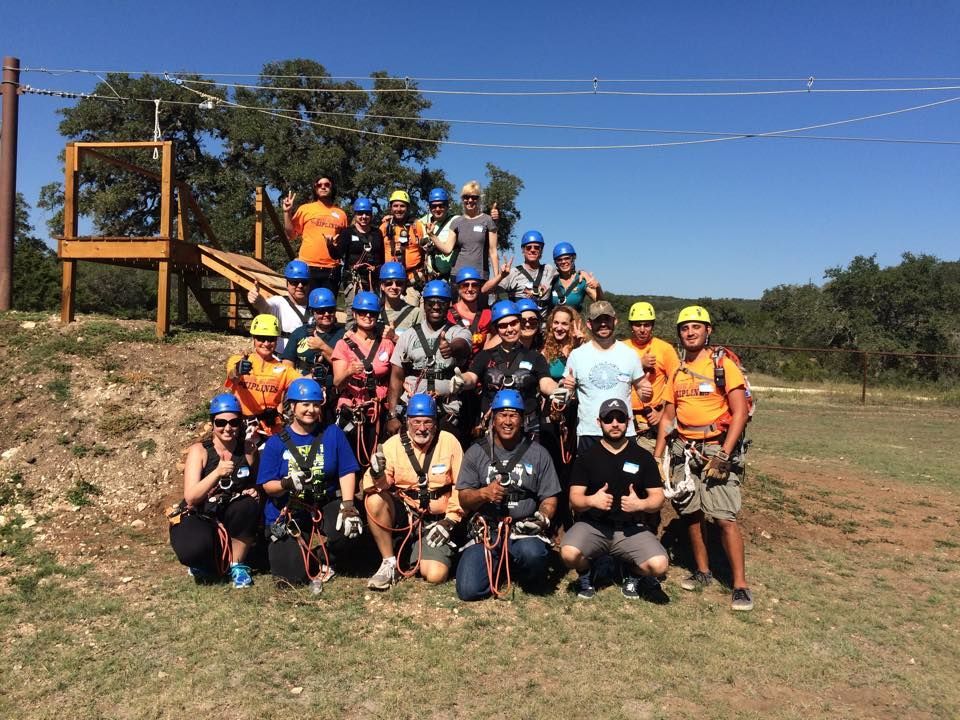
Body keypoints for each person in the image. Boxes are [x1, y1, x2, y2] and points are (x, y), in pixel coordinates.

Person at [654, 305, 753, 611]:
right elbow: (668, 417)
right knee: (691, 514)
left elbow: (740, 412)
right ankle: (703, 572)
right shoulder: (678, 372)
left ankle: (740, 585)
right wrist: (658, 456)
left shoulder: (722, 366)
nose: (690, 332)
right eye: (685, 328)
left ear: (708, 330)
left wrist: (725, 454)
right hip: (685, 450)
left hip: (715, 448)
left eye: (696, 327)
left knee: (724, 518)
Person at [257, 378, 362, 590]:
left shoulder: (332, 434)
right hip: (290, 509)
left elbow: (347, 470)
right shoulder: (276, 442)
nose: (311, 410)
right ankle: (302, 556)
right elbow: (267, 485)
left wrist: (349, 506)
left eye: (315, 404)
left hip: (323, 502)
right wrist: (286, 483)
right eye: (305, 404)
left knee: (350, 531)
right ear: (292, 407)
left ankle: (324, 557)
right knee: (290, 578)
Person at [455, 390, 560, 601]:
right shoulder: (476, 452)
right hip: (488, 530)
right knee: (468, 589)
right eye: (502, 415)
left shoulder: (538, 453)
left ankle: (517, 567)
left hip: (523, 530)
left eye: (513, 415)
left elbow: (550, 497)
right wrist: (484, 493)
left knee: (534, 560)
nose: (508, 421)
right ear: (493, 419)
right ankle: (496, 564)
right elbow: (463, 497)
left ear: (522, 420)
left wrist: (542, 517)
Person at [561, 398, 669, 601]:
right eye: (608, 419)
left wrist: (641, 504)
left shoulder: (643, 457)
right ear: (599, 422)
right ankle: (587, 575)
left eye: (620, 418)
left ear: (628, 421)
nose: (614, 423)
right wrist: (591, 501)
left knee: (659, 565)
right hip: (594, 526)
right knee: (569, 553)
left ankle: (633, 574)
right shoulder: (586, 457)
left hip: (630, 529)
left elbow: (658, 498)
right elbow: (574, 499)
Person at [362, 394, 464, 589]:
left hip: (438, 520)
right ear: (407, 421)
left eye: (427, 422)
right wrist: (376, 473)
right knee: (374, 500)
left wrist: (450, 520)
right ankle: (389, 563)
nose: (422, 428)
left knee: (435, 575)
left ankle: (419, 552)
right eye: (416, 422)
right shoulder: (392, 445)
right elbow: (376, 486)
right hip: (406, 515)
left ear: (435, 422)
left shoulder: (449, 442)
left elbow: (462, 486)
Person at [169, 393, 260, 588]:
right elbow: (191, 497)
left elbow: (255, 481)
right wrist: (217, 473)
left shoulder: (248, 450)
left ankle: (238, 564)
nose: (227, 428)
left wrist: (253, 490)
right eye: (221, 422)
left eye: (234, 422)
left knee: (249, 506)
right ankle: (206, 558)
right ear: (213, 423)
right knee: (192, 550)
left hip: (230, 508)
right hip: (200, 512)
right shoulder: (200, 451)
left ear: (240, 423)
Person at [456, 300, 557, 439]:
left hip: (527, 430)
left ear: (520, 323)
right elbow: (471, 377)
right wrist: (461, 380)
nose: (509, 329)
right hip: (492, 429)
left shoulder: (535, 357)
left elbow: (546, 382)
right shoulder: (485, 356)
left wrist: (556, 390)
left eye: (513, 323)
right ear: (497, 329)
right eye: (503, 326)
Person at [562, 301, 653, 455]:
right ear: (589, 324)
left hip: (623, 432)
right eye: (598, 320)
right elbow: (565, 395)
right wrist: (567, 388)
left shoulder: (630, 355)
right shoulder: (577, 355)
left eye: (607, 319)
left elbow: (642, 390)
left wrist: (646, 393)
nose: (603, 324)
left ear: (615, 320)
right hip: (589, 434)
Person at [385, 280, 472, 437]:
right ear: (424, 303)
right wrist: (392, 415)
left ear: (449, 304)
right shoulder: (408, 336)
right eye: (431, 302)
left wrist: (452, 348)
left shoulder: (458, 332)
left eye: (442, 302)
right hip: (413, 410)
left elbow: (463, 345)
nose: (436, 307)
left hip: (445, 410)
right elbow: (396, 377)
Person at [331, 291, 395, 468]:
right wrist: (349, 371)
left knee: (378, 458)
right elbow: (337, 382)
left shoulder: (386, 343)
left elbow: (395, 375)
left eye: (372, 313)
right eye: (362, 312)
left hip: (377, 408)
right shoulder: (344, 344)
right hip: (353, 408)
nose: (367, 316)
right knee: (349, 458)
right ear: (355, 314)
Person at [538, 305, 586, 525]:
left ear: (572, 325)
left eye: (564, 323)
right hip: (552, 413)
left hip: (576, 412)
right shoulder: (545, 351)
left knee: (572, 466)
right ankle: (553, 518)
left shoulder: (582, 349)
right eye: (555, 322)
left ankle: (572, 518)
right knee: (553, 464)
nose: (559, 327)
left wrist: (578, 347)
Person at [225, 314, 300, 436]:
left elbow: (301, 382)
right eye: (261, 338)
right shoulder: (237, 360)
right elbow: (232, 376)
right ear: (254, 338)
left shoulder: (283, 369)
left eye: (271, 339)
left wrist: (315, 377)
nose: (266, 343)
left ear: (276, 341)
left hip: (270, 428)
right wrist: (238, 370)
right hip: (241, 426)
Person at [624, 302, 680, 454]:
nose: (642, 330)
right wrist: (639, 364)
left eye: (647, 325)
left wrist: (662, 410)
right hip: (623, 420)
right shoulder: (621, 348)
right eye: (637, 325)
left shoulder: (665, 349)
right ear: (631, 326)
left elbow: (677, 383)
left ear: (653, 325)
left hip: (651, 423)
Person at [282, 288, 346, 412]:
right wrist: (301, 380)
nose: (326, 314)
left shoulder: (344, 335)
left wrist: (323, 347)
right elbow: (287, 366)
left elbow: (345, 367)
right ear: (313, 312)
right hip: (303, 392)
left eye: (330, 310)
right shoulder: (300, 333)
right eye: (321, 311)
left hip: (332, 394)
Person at [283, 176, 349, 294]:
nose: (323, 187)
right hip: (307, 267)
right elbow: (291, 235)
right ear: (315, 188)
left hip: (332, 269)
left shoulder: (341, 214)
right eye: (319, 185)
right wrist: (287, 212)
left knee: (326, 308)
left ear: (332, 187)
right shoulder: (305, 209)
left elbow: (343, 245)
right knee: (307, 307)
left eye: (326, 184)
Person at [330, 197, 385, 310]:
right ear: (355, 214)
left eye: (367, 213)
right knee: (353, 311)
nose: (364, 216)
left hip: (372, 280)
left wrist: (378, 271)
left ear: (371, 215)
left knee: (373, 310)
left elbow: (381, 257)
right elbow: (337, 255)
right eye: (360, 213)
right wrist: (330, 246)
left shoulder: (377, 233)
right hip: (354, 280)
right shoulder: (347, 233)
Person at [246, 259, 310, 354]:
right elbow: (264, 306)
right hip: (280, 358)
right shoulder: (278, 302)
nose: (300, 286)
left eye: (304, 282)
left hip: (306, 362)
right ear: (287, 283)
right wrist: (257, 299)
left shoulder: (318, 308)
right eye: (295, 282)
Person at [497, 230, 556, 317]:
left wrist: (582, 273)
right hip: (521, 324)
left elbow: (568, 274)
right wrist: (500, 277)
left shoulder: (549, 270)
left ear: (541, 250)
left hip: (543, 325)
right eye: (529, 247)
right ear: (523, 250)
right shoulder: (513, 272)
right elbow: (490, 290)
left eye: (536, 247)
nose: (532, 250)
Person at [448, 181, 499, 278]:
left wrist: (496, 277)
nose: (470, 200)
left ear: (479, 199)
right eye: (466, 197)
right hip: (458, 275)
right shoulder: (456, 221)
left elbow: (493, 251)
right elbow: (447, 249)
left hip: (480, 275)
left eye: (474, 197)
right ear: (462, 199)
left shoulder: (487, 220)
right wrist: (432, 236)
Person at [381, 190, 428, 295]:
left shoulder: (417, 226)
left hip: (412, 280)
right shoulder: (384, 226)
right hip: (389, 281)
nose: (398, 209)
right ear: (390, 207)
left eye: (402, 206)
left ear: (408, 208)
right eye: (395, 206)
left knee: (411, 310)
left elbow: (426, 251)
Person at [447, 266, 498, 360]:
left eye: (474, 285)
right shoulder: (448, 314)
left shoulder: (487, 315)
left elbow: (496, 339)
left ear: (479, 288)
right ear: (458, 288)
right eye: (465, 285)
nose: (470, 289)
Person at [419, 188, 460, 282]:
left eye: (441, 205)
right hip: (431, 278)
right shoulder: (423, 222)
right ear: (429, 207)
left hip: (452, 277)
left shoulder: (456, 221)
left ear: (447, 206)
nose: (437, 209)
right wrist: (391, 218)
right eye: (434, 206)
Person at [549, 242, 602, 313]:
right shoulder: (552, 280)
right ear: (555, 262)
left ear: (573, 259)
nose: (563, 262)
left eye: (567, 258)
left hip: (574, 323)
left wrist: (598, 287)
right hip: (555, 323)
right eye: (559, 260)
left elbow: (601, 303)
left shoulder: (581, 281)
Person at [377, 261, 421, 341]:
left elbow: (419, 346)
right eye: (389, 283)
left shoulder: (415, 313)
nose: (394, 287)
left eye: (399, 283)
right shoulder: (374, 313)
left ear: (404, 286)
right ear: (382, 286)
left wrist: (395, 337)